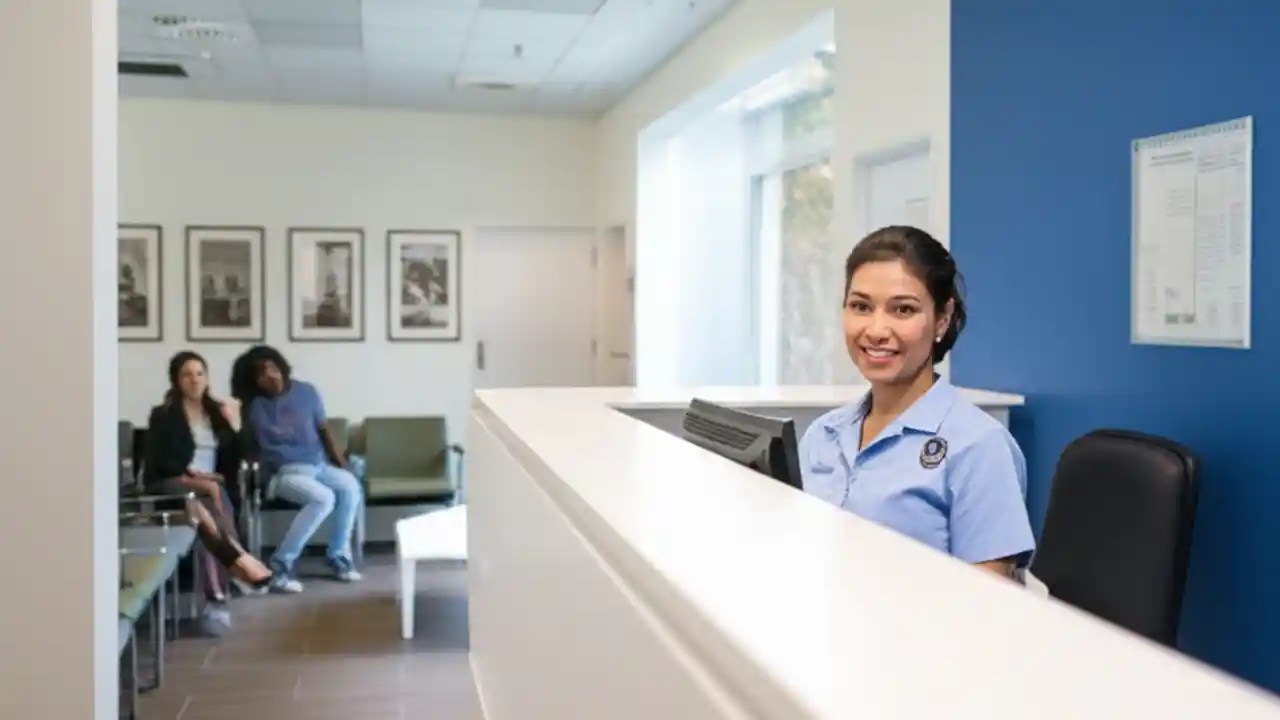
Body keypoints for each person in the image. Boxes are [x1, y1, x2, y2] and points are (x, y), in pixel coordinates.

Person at [799, 226, 1035, 579]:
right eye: (861, 306)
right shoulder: (823, 435)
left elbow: (987, 603)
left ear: (942, 319)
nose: (876, 330)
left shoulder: (979, 446)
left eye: (903, 310)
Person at [232, 345, 363, 592]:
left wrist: (340, 463)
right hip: (283, 472)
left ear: (281, 367)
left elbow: (323, 430)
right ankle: (280, 565)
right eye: (261, 374)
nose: (270, 375)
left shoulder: (307, 392)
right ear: (253, 382)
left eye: (272, 368)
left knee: (350, 486)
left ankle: (338, 556)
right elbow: (247, 446)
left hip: (319, 465)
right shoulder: (253, 406)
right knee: (323, 499)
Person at [145, 351, 273, 601]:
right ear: (176, 380)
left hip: (213, 485)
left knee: (207, 503)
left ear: (206, 378)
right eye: (187, 374)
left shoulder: (217, 412)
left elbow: (246, 453)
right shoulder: (164, 414)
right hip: (173, 482)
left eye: (199, 373)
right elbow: (158, 462)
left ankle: (223, 580)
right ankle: (236, 566)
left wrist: (236, 424)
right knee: (204, 499)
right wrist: (194, 476)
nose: (194, 380)